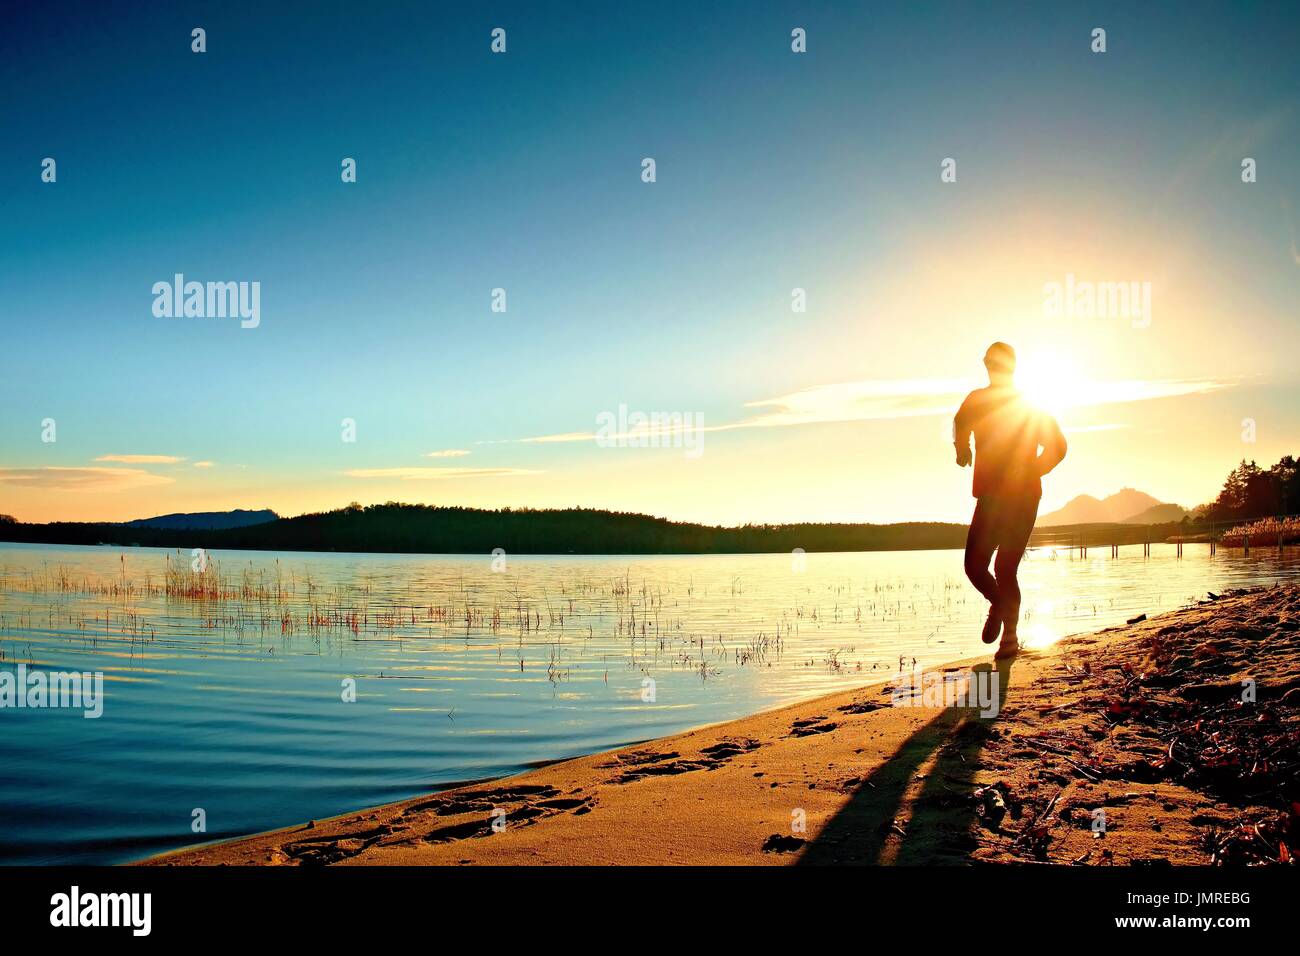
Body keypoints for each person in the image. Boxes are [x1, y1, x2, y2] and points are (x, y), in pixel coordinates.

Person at [953, 343, 1067, 658]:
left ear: (1013, 367)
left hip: (1023, 498)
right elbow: (960, 422)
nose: (994, 367)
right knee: (974, 566)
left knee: (1005, 568)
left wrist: (1033, 470)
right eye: (990, 362)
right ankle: (999, 605)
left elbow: (1058, 446)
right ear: (985, 364)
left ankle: (1010, 639)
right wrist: (962, 448)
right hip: (989, 499)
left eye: (1000, 363)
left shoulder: (1030, 405)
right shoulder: (976, 400)